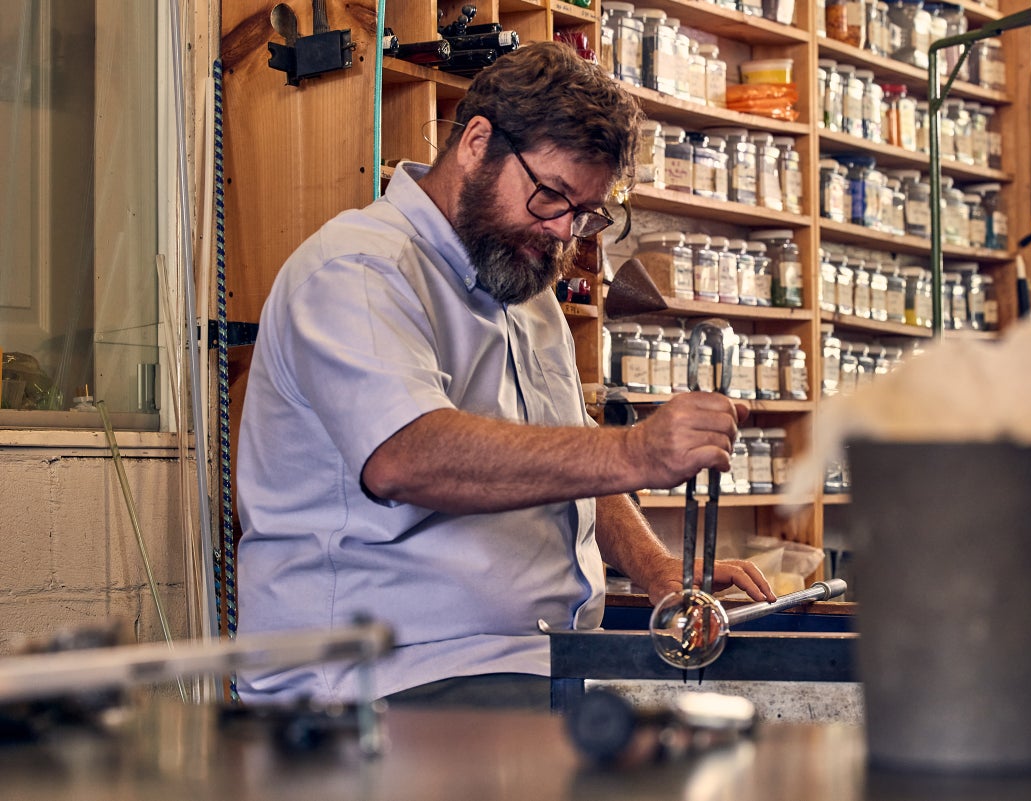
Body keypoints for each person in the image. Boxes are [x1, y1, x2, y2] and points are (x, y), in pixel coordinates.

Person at [235, 41, 775, 709]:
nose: (561, 231)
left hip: (532, 660)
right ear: (476, 143)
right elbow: (407, 457)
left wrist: (658, 570)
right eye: (550, 195)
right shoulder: (359, 269)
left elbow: (566, 456)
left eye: (585, 213)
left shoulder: (523, 283)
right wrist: (638, 450)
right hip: (377, 676)